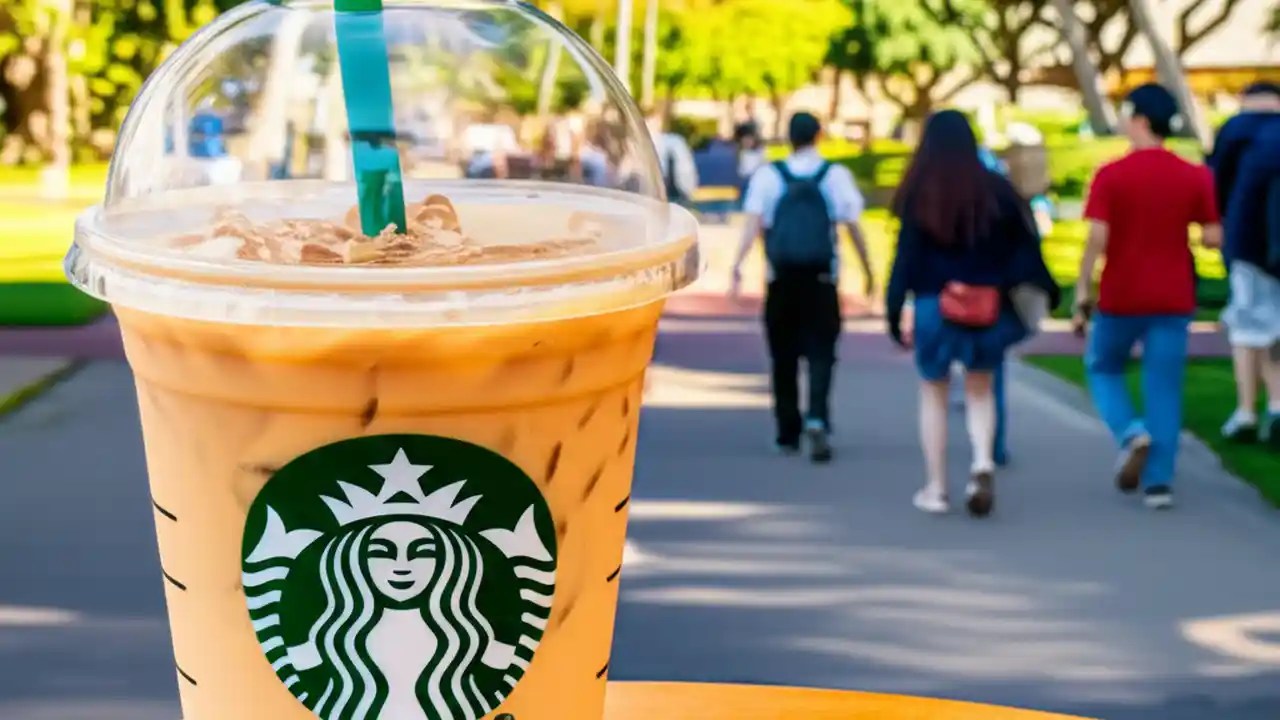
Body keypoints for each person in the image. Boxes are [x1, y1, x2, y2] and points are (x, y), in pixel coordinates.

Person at [886, 110, 1058, 518]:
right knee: (981, 389)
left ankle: (936, 488)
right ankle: (982, 461)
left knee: (934, 394)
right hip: (986, 307)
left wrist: (893, 311)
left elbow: (905, 259)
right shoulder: (997, 190)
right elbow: (1023, 247)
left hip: (934, 305)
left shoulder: (919, 191)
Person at [1075, 84, 1223, 510]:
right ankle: (1159, 484)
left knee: (1103, 366)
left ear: (1140, 120)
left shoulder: (1111, 175)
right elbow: (1212, 236)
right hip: (1173, 296)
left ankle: (1130, 431)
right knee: (1164, 387)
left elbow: (1098, 237)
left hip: (1121, 294)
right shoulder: (1194, 175)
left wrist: (1083, 290)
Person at [729, 112, 876, 463]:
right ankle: (817, 418)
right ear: (819, 136)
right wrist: (868, 269)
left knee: (783, 355)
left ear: (788, 137)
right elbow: (852, 224)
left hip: (780, 278)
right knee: (822, 351)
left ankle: (787, 431)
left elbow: (753, 223)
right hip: (822, 278)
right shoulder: (835, 175)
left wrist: (737, 264)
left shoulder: (769, 176)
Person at [1210, 82, 1280, 443]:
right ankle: (1275, 406)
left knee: (1249, 327)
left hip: (1249, 243)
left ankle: (1248, 410)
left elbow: (1215, 185)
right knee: (1273, 326)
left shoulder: (1236, 131)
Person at [646, 110, 699, 206]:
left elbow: (686, 172)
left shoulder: (675, 142)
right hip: (671, 197)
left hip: (661, 195)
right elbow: (686, 173)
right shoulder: (675, 142)